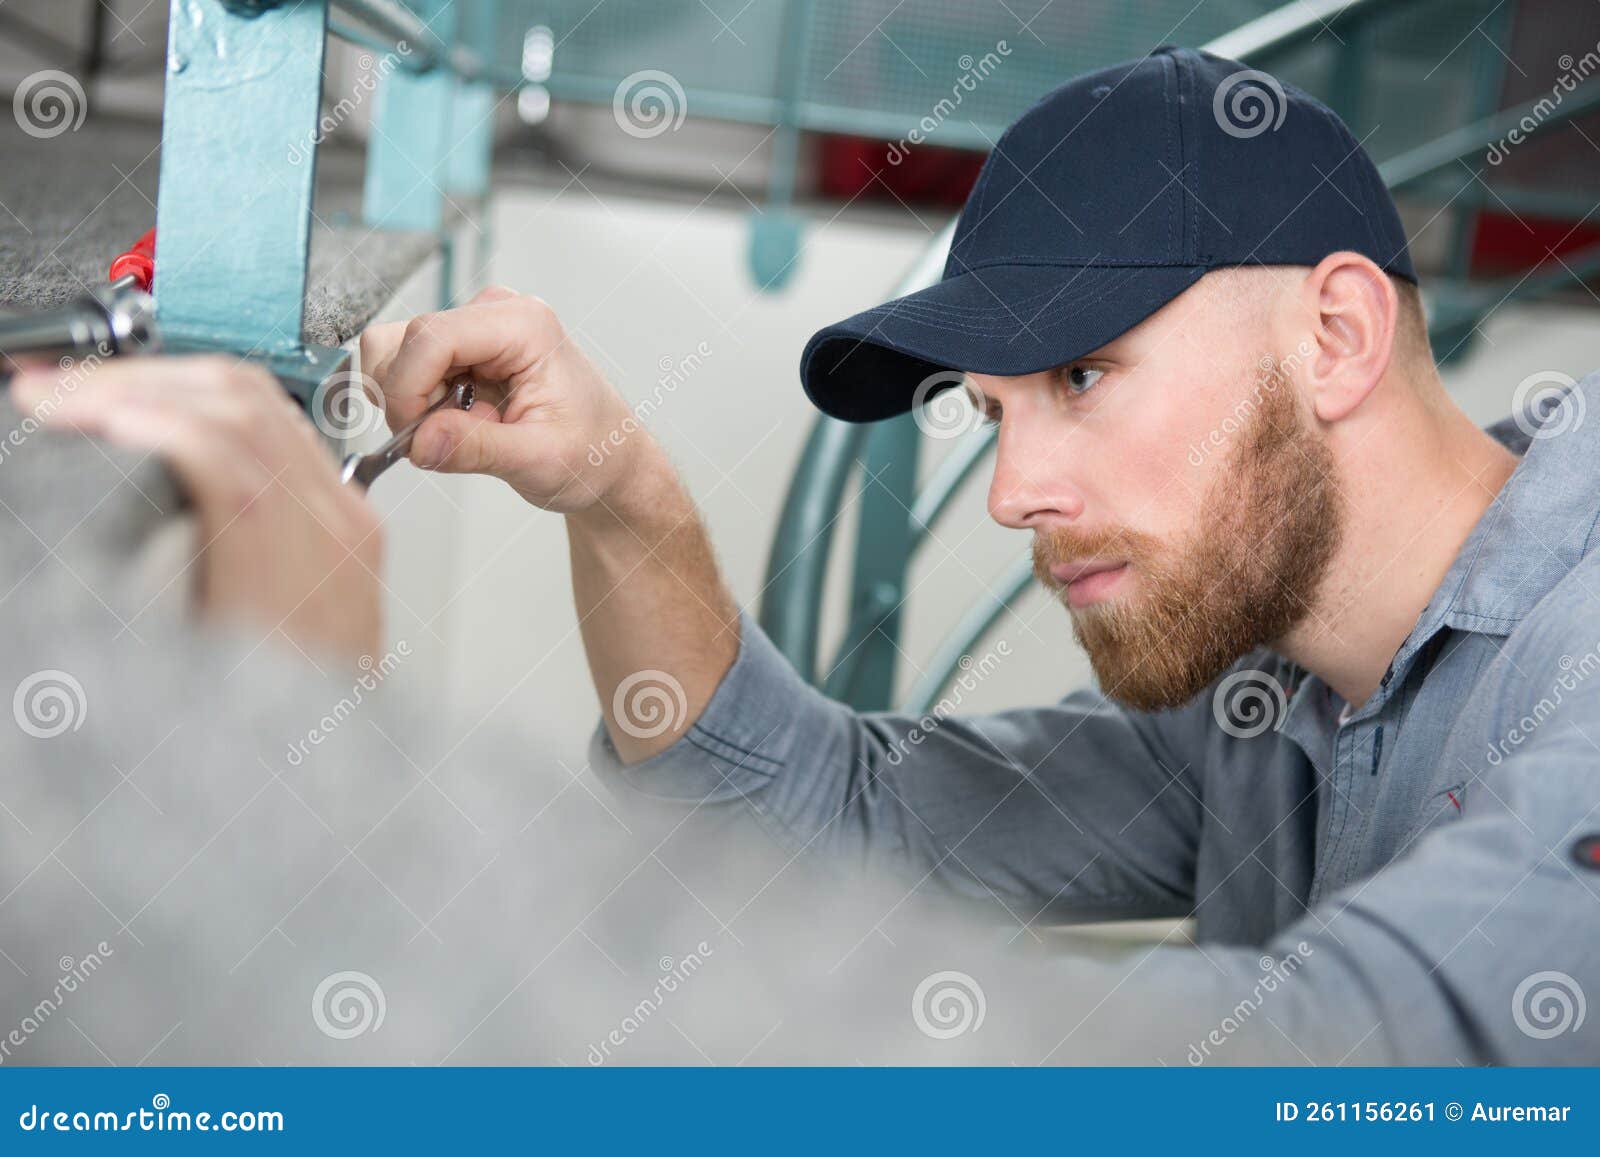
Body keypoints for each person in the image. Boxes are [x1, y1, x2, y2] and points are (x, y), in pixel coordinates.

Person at [12, 48, 1598, 1063]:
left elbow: (1349, 1061)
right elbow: (827, 814)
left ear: (1335, 333)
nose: (1011, 493)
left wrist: (303, 807)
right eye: (993, 411)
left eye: (1084, 376)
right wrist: (620, 489)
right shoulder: (1272, 692)